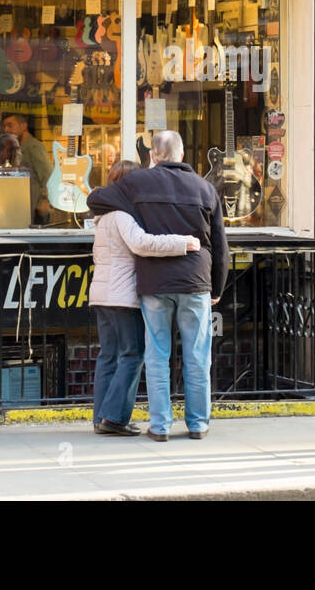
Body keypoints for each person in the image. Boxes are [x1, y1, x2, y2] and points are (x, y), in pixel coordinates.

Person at [87, 130, 229, 442]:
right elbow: (220, 246)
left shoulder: (138, 183)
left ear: (153, 156)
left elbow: (96, 199)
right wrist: (217, 287)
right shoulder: (206, 189)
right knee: (196, 356)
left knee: (156, 354)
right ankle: (198, 424)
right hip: (196, 282)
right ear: (182, 155)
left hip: (155, 284)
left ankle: (161, 425)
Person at [2, 112, 52, 224]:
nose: (6, 130)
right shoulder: (14, 148)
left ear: (23, 126)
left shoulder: (35, 147)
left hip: (35, 208)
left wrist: (45, 200)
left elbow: (48, 175)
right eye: (4, 126)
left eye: (10, 125)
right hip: (21, 207)